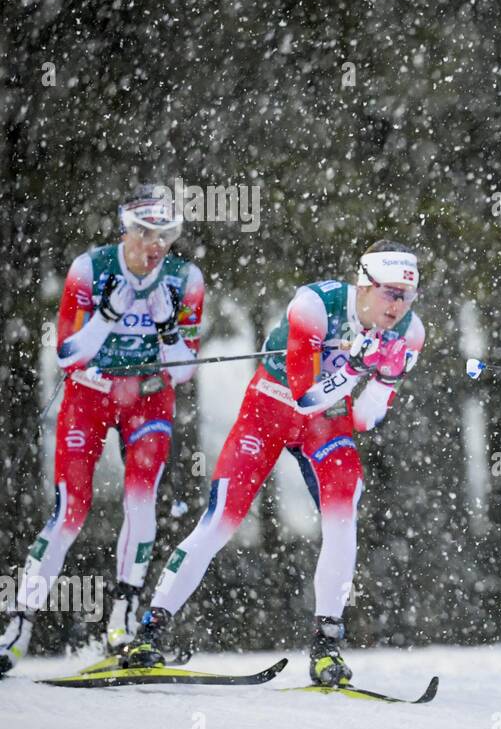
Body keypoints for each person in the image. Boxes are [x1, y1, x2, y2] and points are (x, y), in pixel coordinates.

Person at [122, 241, 424, 686]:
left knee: (344, 516)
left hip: (328, 420)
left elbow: (364, 418)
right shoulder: (314, 306)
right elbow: (303, 395)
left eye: (407, 295)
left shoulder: (410, 332)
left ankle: (326, 646)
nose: (398, 306)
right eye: (390, 293)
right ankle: (149, 632)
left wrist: (386, 380)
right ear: (365, 284)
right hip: (272, 405)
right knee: (223, 517)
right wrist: (356, 369)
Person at [0, 184, 203, 676]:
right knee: (71, 510)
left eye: (167, 235)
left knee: (140, 502)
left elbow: (184, 369)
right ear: (126, 230)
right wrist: (108, 316)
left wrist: (168, 331)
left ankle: (122, 620)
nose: (155, 245)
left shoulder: (184, 278)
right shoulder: (89, 269)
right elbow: (68, 353)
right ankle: (17, 625)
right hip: (89, 395)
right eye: (146, 233)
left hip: (149, 396)